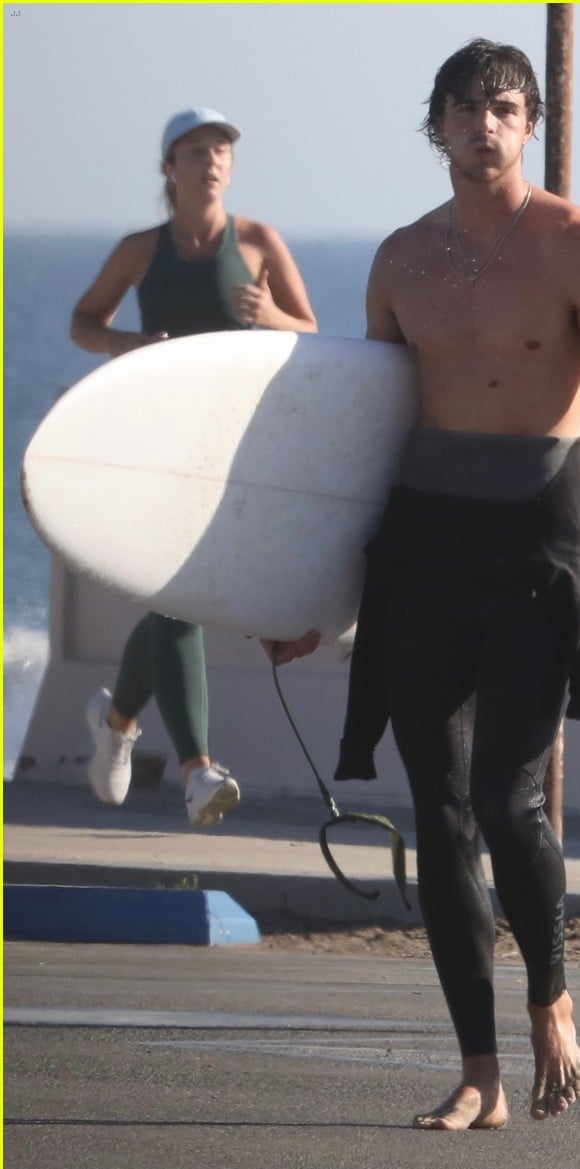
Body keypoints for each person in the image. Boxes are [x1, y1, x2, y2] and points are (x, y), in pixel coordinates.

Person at [265, 38, 580, 1130]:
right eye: (465, 108)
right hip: (420, 550)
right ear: (437, 126)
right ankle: (478, 1073)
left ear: (530, 122)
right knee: (441, 814)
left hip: (537, 546)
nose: (485, 125)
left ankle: (550, 998)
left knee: (509, 799)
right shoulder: (401, 261)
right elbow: (365, 433)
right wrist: (312, 597)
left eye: (506, 107)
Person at [72, 106, 317, 828]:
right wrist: (129, 344)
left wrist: (271, 316)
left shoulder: (259, 241)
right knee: (177, 599)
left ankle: (116, 722)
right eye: (195, 149)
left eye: (220, 149)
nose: (211, 160)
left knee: (181, 601)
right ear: (168, 168)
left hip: (239, 450)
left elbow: (311, 333)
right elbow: (84, 322)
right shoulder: (140, 249)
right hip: (160, 445)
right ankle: (197, 770)